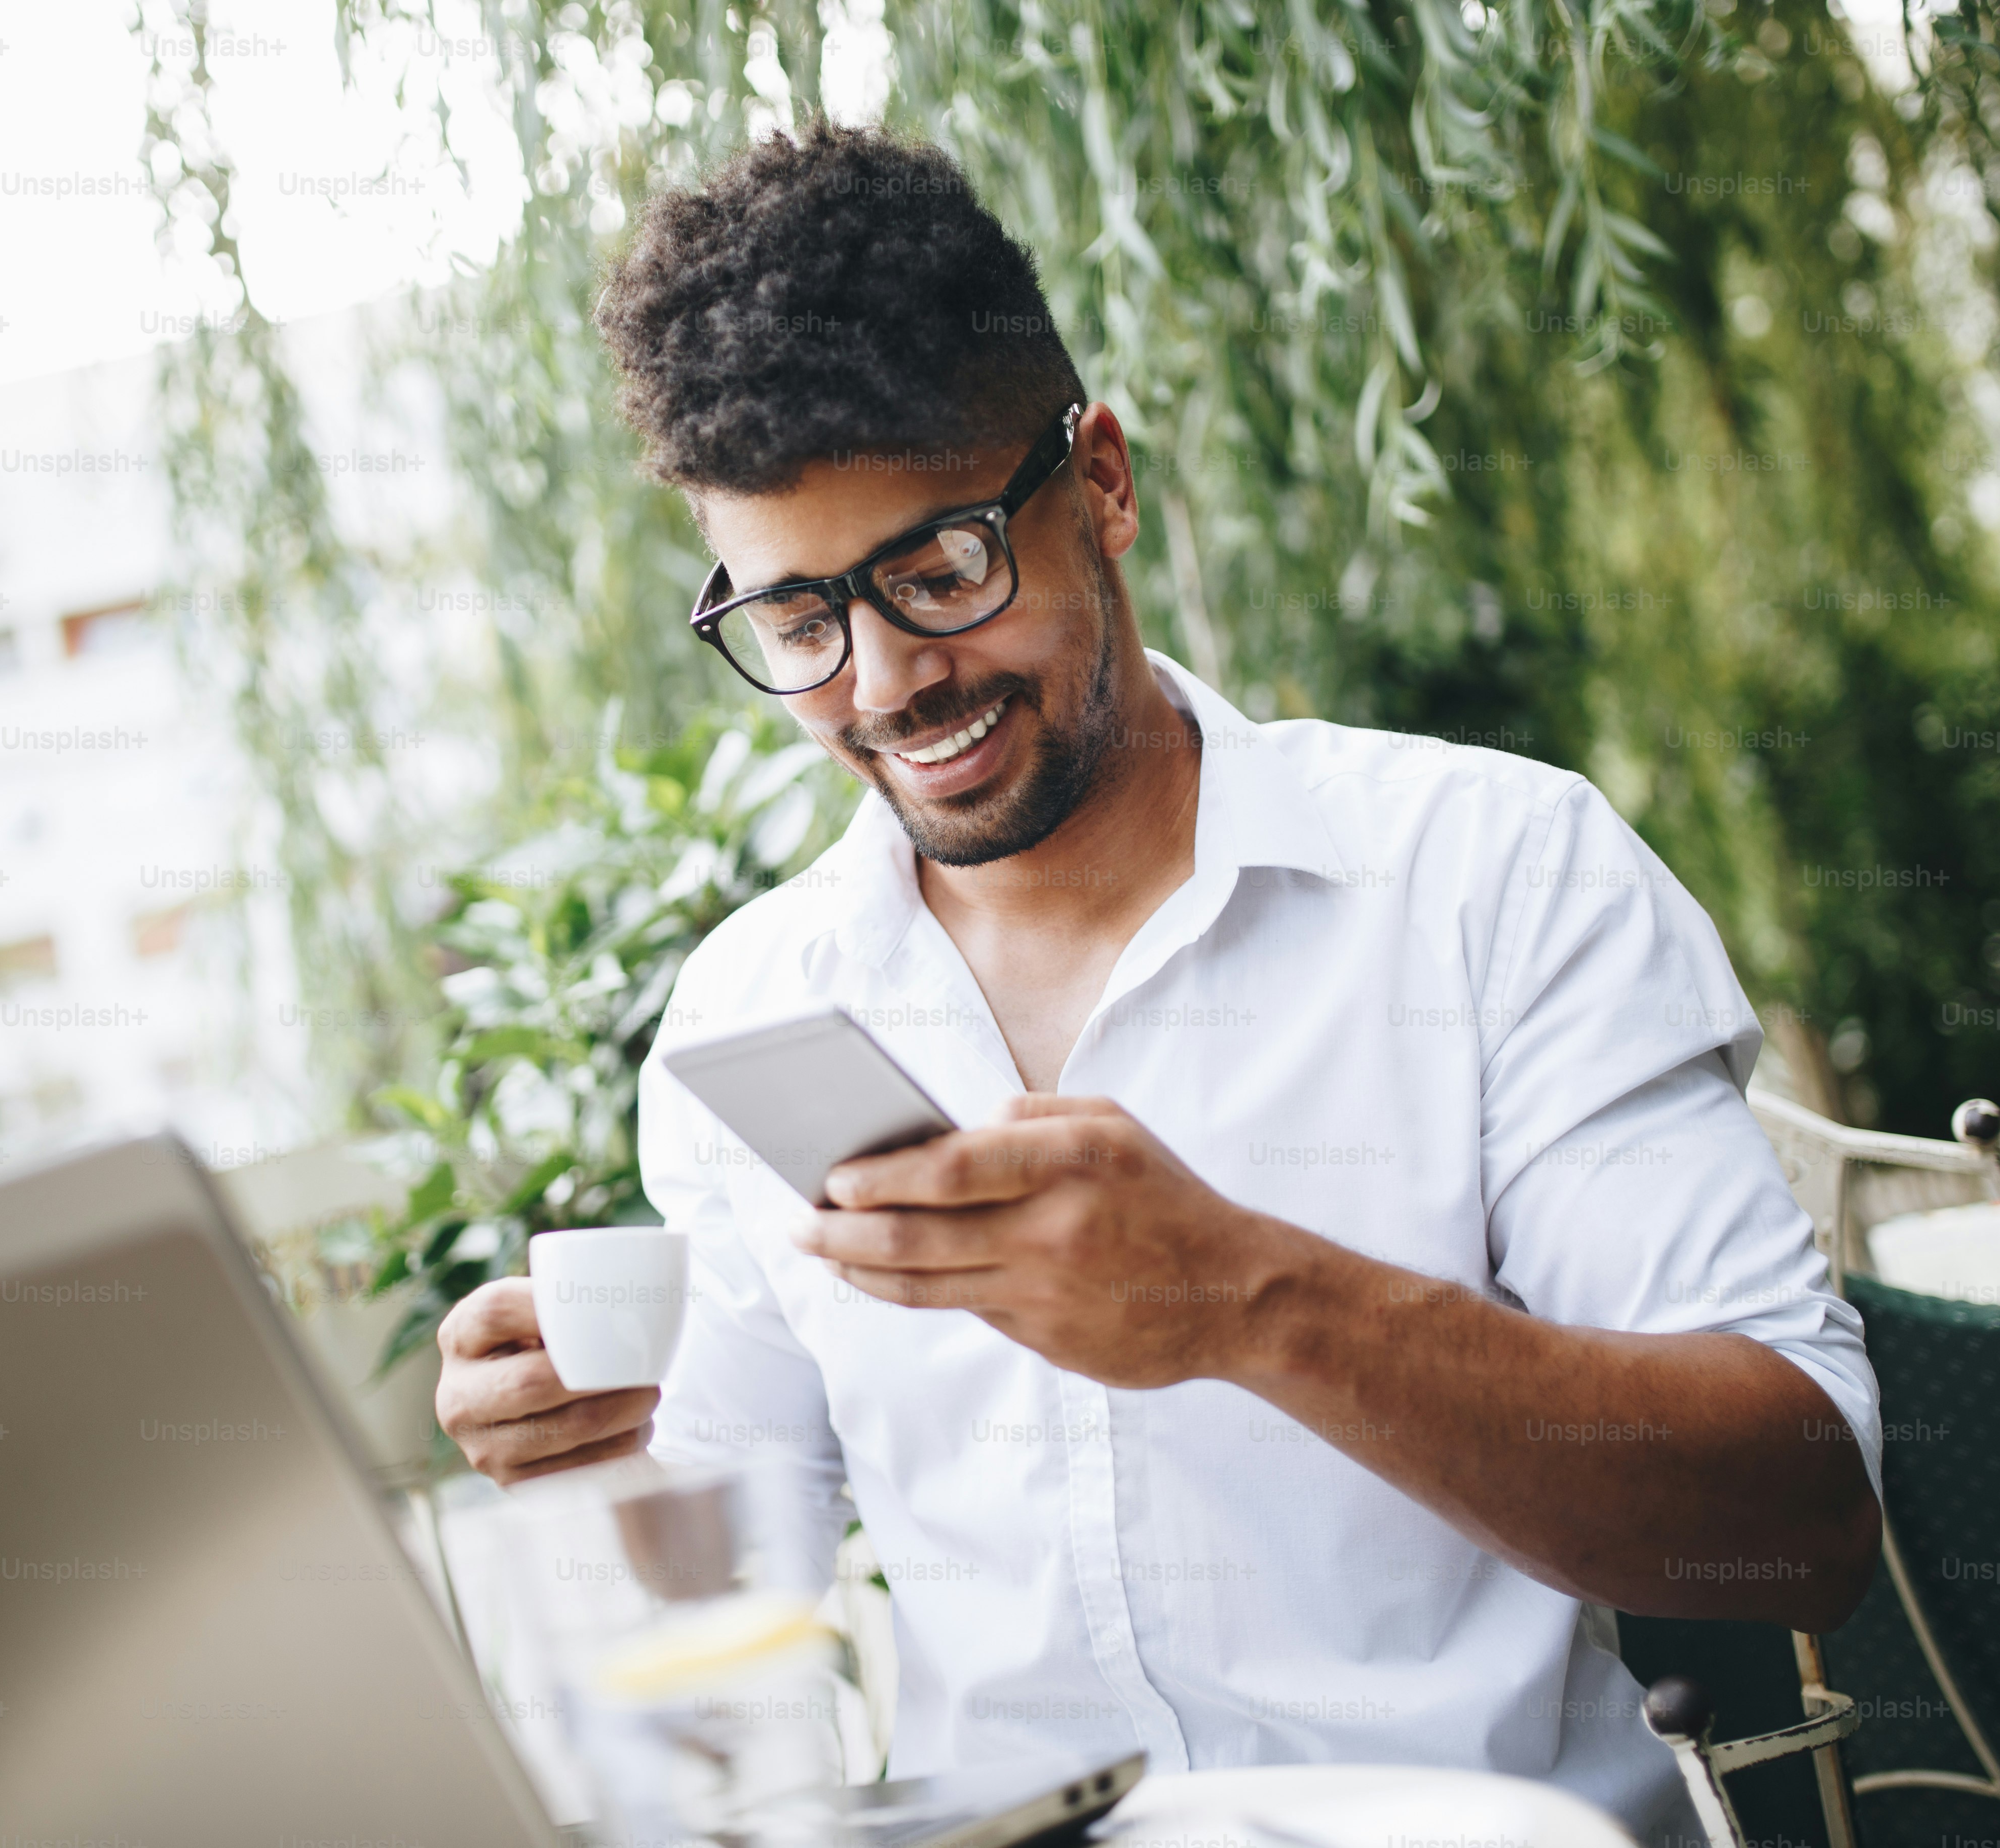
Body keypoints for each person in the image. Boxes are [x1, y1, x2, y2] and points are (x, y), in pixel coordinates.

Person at [435, 120, 1880, 1839]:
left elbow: (1799, 1519)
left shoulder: (1492, 875)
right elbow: (729, 1634)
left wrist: (1253, 1301)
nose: (887, 681)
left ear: (1101, 484)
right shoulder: (749, 1018)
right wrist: (604, 1478)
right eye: (797, 620)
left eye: (942, 568)